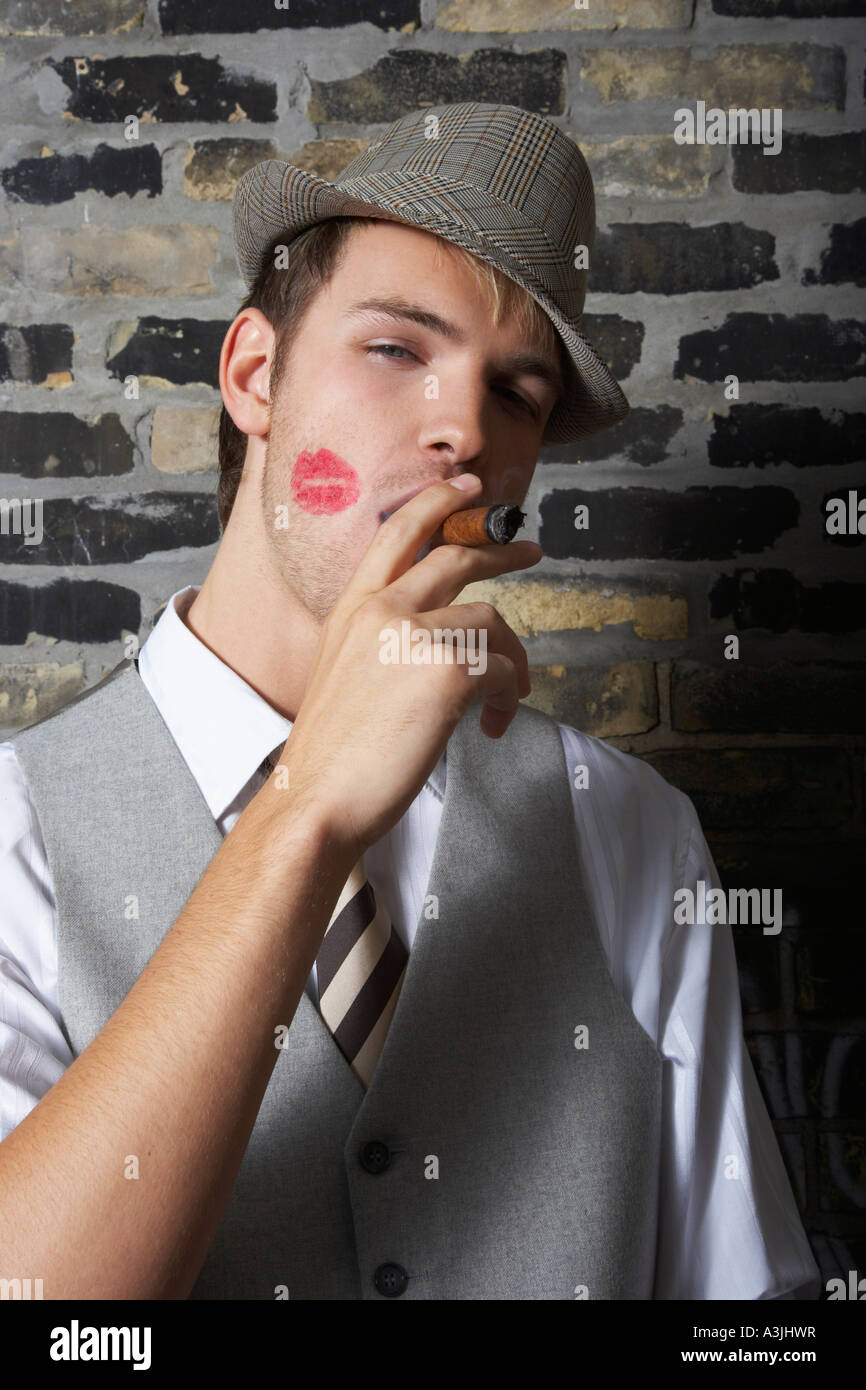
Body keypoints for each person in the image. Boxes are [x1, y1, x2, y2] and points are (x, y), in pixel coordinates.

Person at [0, 102, 819, 1301]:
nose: (461, 430)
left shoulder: (626, 832)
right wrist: (307, 806)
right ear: (254, 375)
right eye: (396, 349)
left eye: (516, 394)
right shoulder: (20, 832)